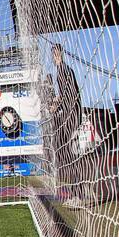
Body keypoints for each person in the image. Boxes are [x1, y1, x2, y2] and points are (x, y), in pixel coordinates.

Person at [49, 43, 83, 201]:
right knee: (69, 155)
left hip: (71, 117)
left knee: (72, 157)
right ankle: (77, 192)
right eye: (53, 54)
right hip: (70, 115)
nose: (55, 56)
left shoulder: (63, 70)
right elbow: (67, 94)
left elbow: (70, 95)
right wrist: (58, 101)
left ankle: (78, 194)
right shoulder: (61, 71)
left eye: (56, 53)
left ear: (60, 53)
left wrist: (58, 103)